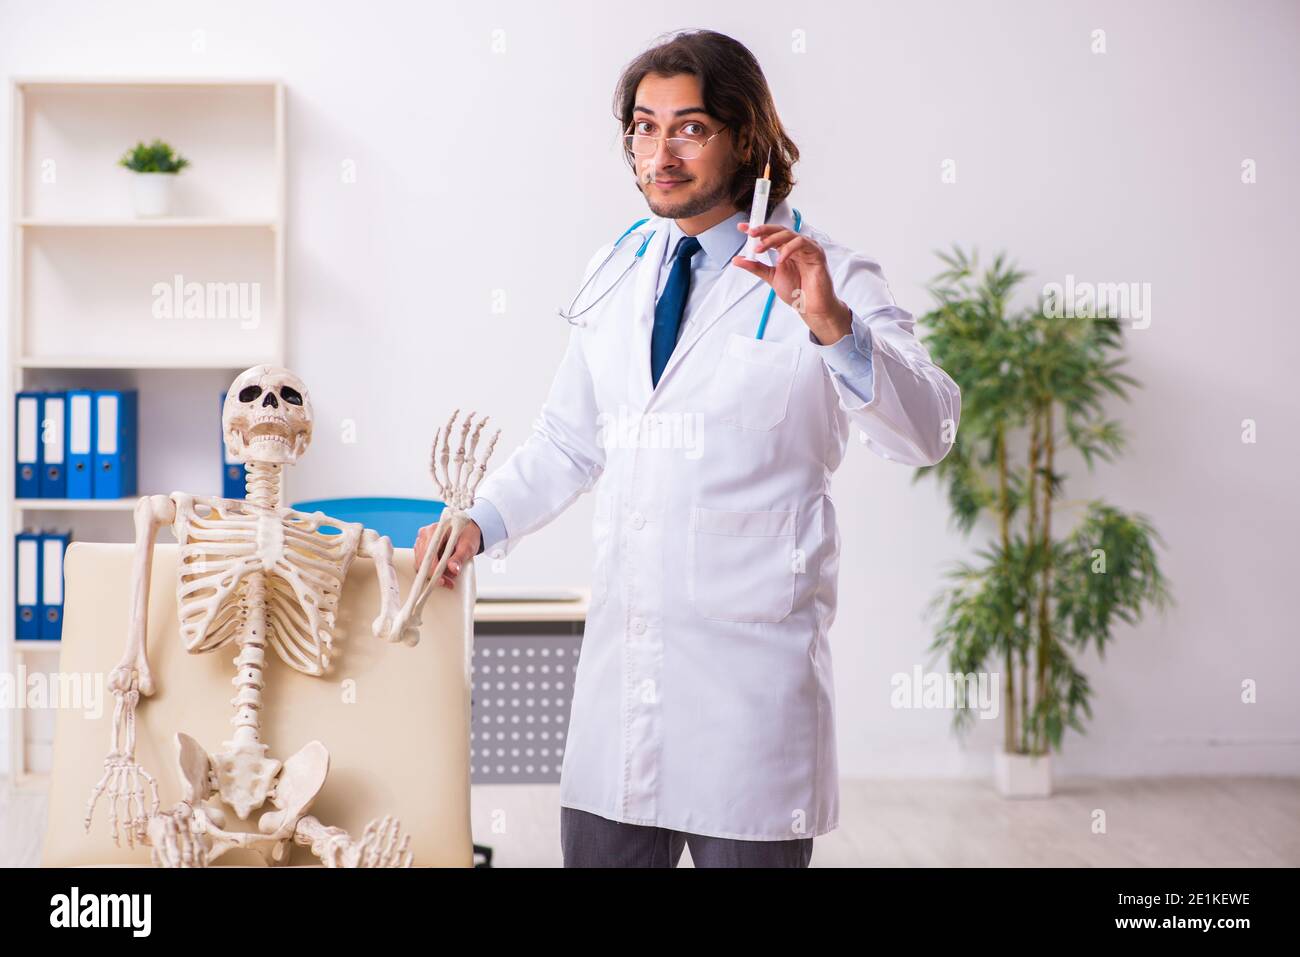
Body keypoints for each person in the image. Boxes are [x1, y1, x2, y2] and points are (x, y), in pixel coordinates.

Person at [415, 29, 961, 868]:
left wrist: (830, 328)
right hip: (620, 687)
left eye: (690, 128)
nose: (659, 153)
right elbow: (569, 439)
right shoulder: (621, 268)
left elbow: (928, 430)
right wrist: (479, 522)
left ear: (746, 136)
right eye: (643, 126)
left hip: (752, 689)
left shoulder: (832, 275)